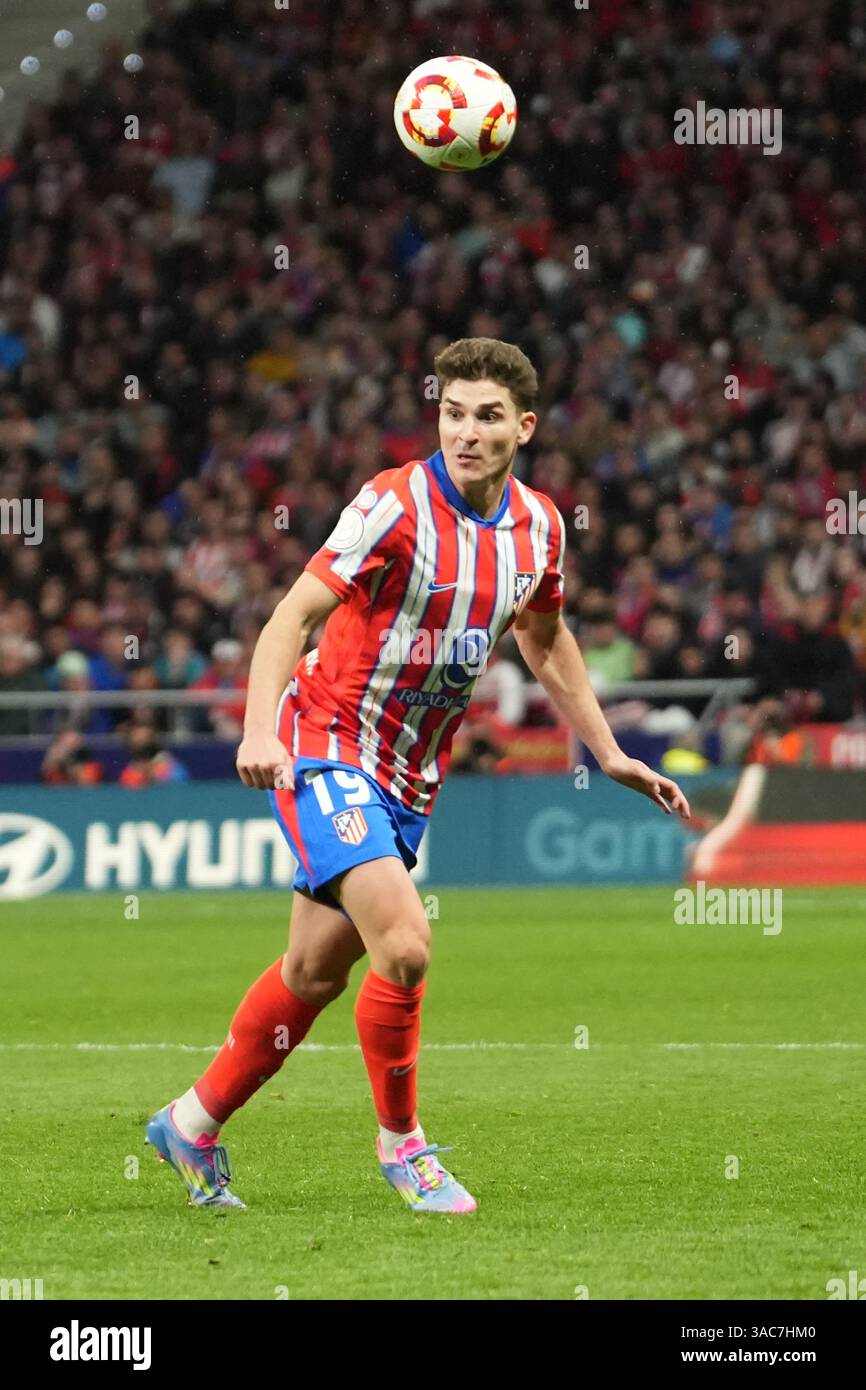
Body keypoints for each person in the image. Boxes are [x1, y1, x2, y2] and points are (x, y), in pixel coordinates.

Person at [146, 338, 690, 1213]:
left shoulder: (539, 528)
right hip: (325, 742)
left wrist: (608, 749)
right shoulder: (391, 506)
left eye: (485, 416)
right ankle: (404, 1150)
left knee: (314, 974)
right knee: (404, 944)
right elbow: (292, 616)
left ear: (524, 427)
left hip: (410, 777)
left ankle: (191, 1122)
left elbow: (544, 638)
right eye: (451, 412)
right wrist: (257, 730)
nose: (465, 432)